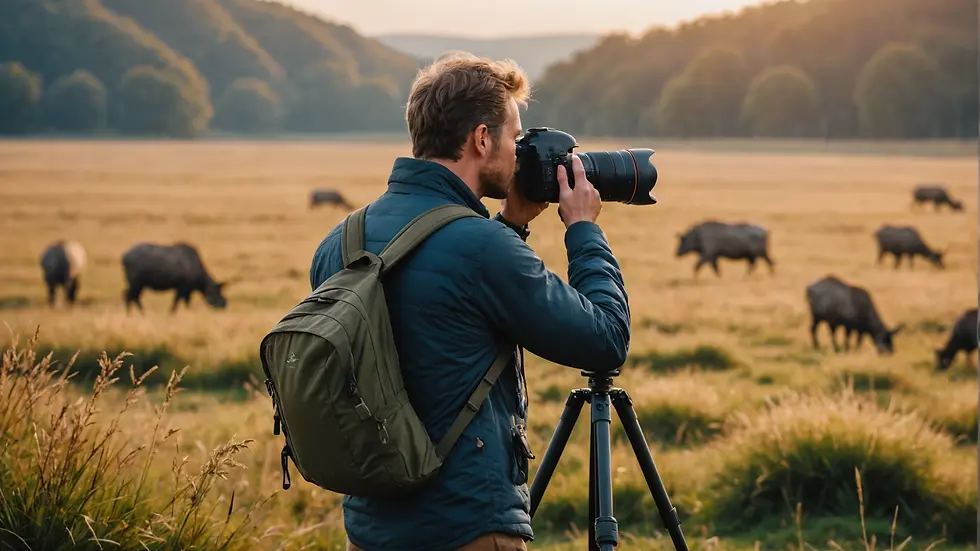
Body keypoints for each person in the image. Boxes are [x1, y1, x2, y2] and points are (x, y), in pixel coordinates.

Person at [308, 52, 631, 551]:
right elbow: (605, 341)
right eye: (514, 137)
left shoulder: (341, 241)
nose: (520, 153)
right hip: (467, 529)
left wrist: (513, 226)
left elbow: (436, 327)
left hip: (370, 529)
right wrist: (584, 230)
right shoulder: (480, 246)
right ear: (482, 139)